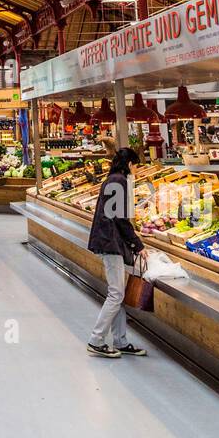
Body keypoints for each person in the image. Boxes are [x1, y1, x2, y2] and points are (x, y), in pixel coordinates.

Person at [87, 147, 148, 358]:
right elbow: (120, 218)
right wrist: (137, 244)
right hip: (109, 242)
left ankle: (120, 341)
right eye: (136, 165)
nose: (137, 170)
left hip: (110, 241)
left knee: (118, 294)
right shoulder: (119, 181)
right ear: (130, 164)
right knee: (116, 294)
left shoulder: (112, 179)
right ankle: (96, 340)